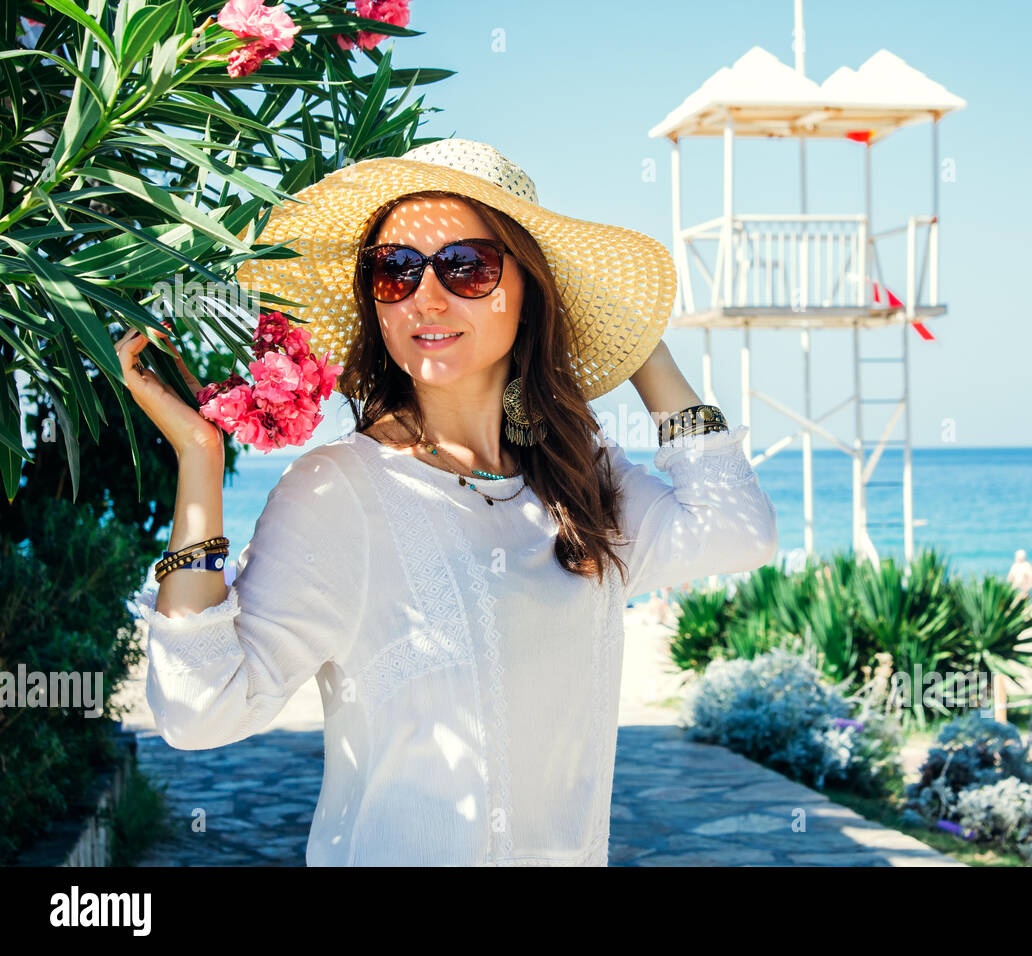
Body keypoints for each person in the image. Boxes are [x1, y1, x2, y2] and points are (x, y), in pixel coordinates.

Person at [117, 139, 780, 866]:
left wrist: (636, 343)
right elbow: (196, 711)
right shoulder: (339, 493)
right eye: (395, 270)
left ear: (530, 287)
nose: (428, 297)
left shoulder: (578, 477)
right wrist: (200, 463)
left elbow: (736, 532)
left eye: (467, 266)